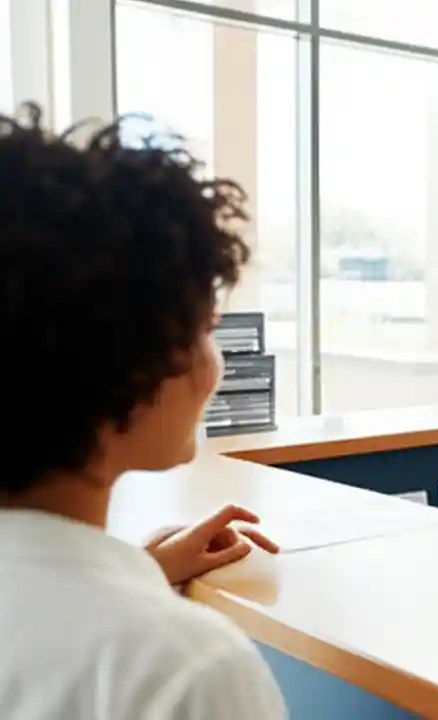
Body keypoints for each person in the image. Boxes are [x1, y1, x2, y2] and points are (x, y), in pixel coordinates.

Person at [0, 105, 286, 717]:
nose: (216, 367)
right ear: (139, 366)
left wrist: (135, 570)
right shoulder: (186, 669)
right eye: (207, 331)